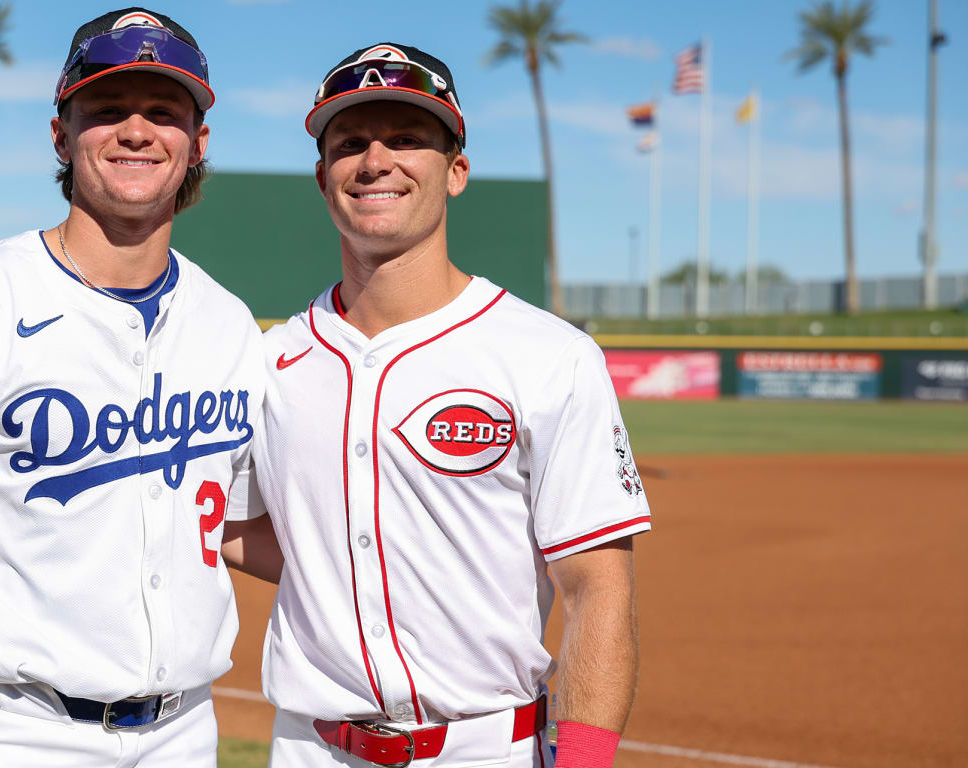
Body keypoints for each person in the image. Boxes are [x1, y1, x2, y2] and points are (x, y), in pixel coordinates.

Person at [0, 9, 263, 767]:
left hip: (184, 735)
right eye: (106, 111)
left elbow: (229, 523)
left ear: (197, 143)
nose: (136, 131)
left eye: (164, 112)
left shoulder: (228, 324)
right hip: (8, 732)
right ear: (62, 135)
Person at [227, 43, 651, 768]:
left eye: (408, 138)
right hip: (311, 749)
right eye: (350, 143)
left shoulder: (548, 354)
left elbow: (595, 589)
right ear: (324, 179)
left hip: (489, 749)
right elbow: (233, 524)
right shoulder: (270, 360)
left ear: (455, 171)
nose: (375, 160)